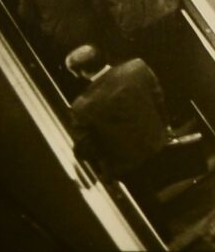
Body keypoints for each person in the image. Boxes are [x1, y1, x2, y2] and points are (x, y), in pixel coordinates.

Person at [66, 45, 172, 183]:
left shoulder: (80, 106)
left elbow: (86, 148)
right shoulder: (137, 67)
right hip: (163, 147)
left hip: (130, 172)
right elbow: (159, 100)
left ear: (81, 72)